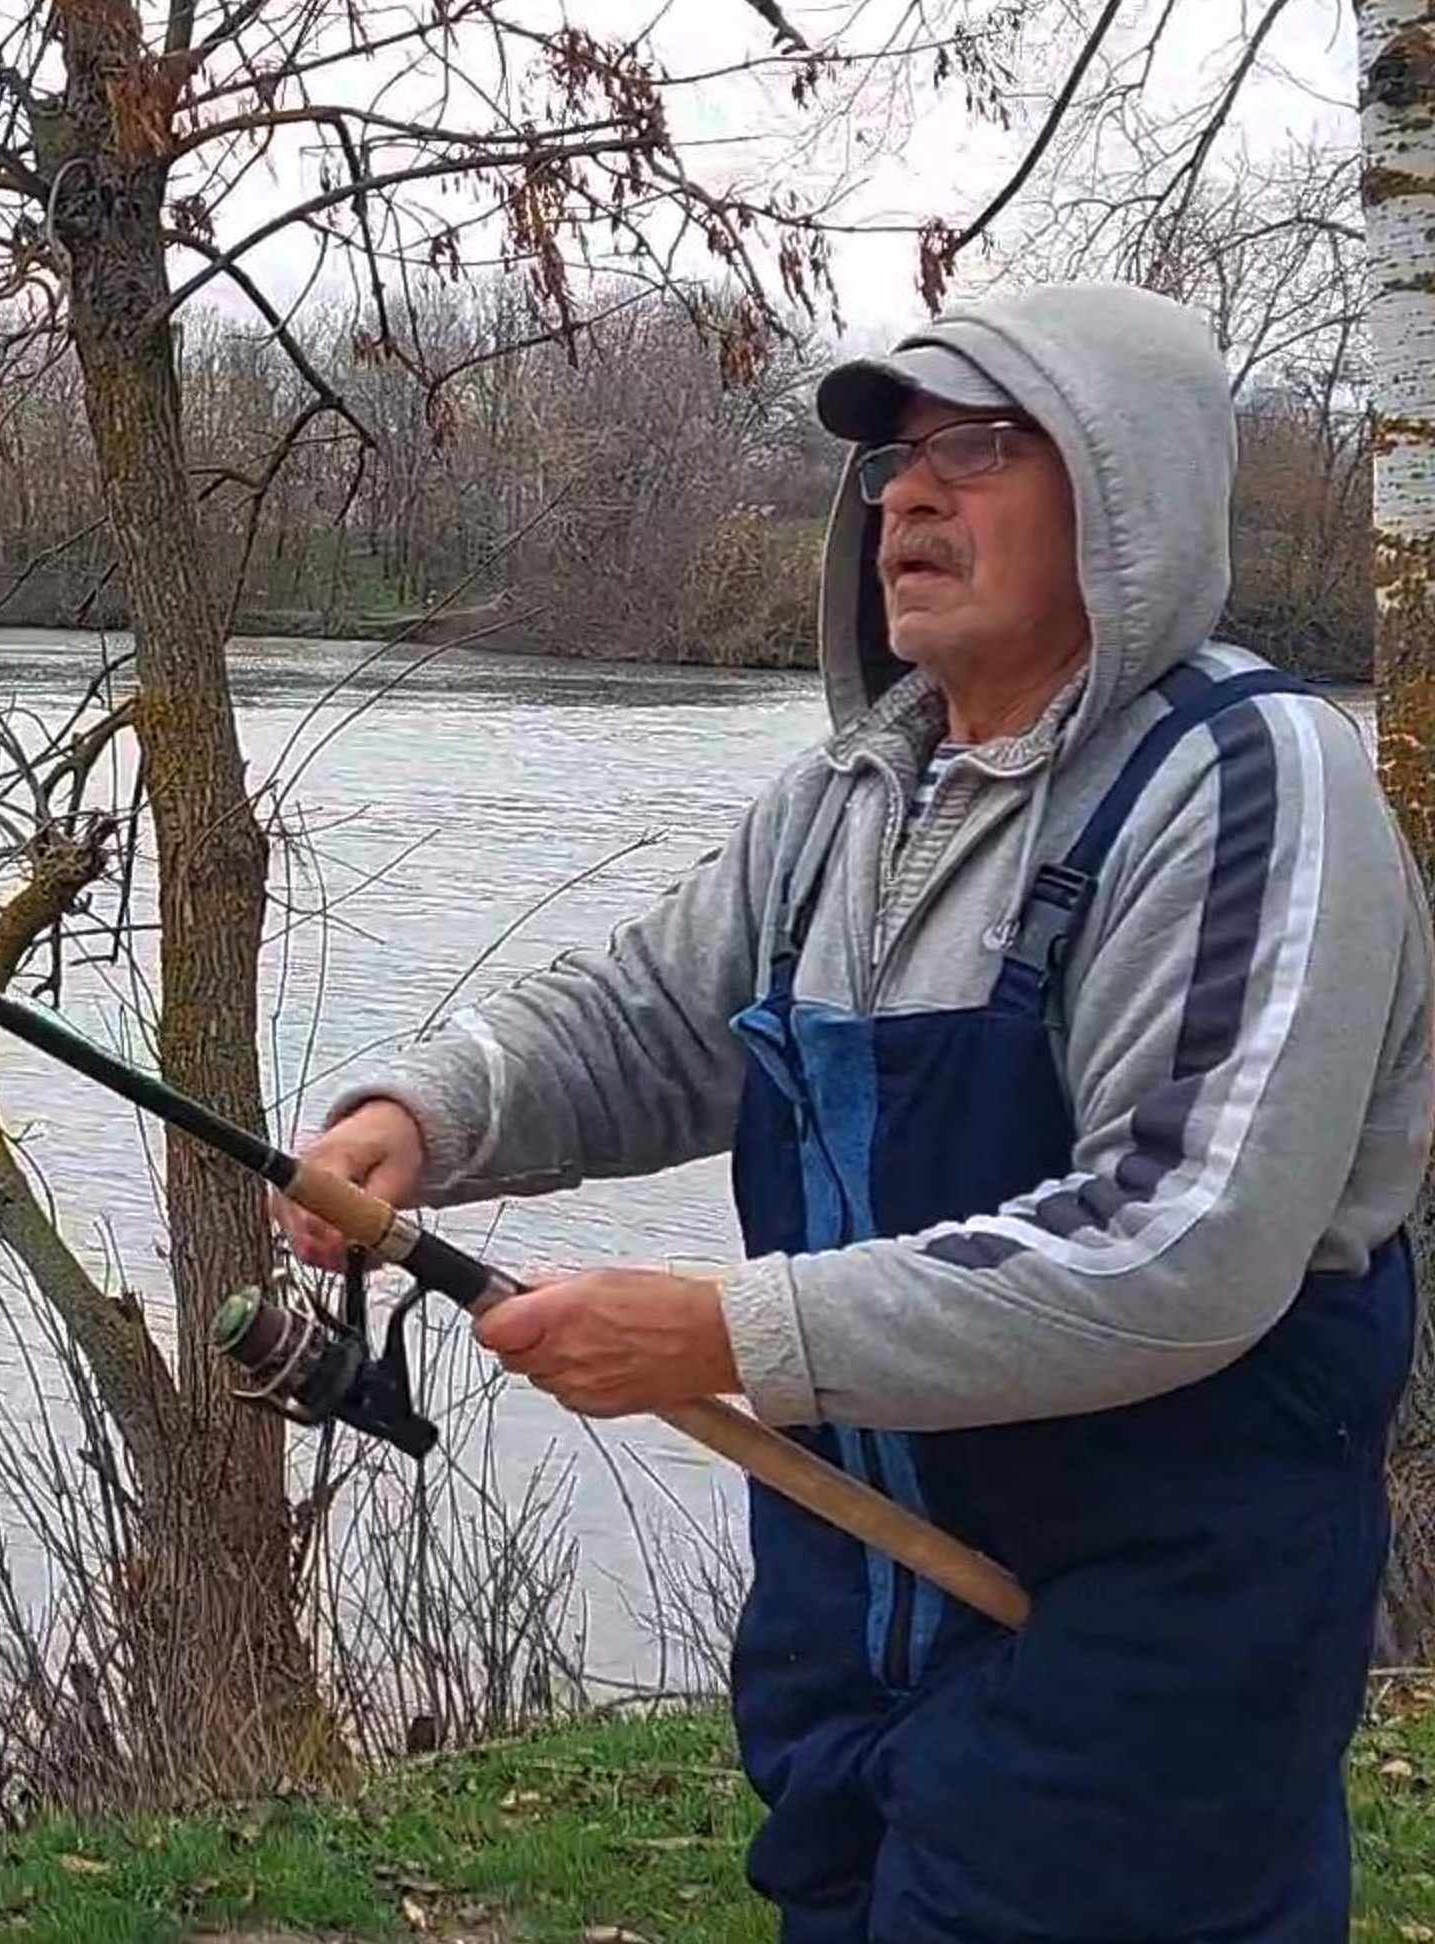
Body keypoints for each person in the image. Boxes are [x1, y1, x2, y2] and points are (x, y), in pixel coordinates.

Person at [273, 279, 1435, 1942]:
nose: (908, 497)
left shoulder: (1253, 783)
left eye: (978, 449)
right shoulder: (844, 802)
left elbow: (1180, 1244)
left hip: (1147, 1650)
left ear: (1130, 489)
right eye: (894, 462)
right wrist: (428, 1117)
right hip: (851, 1617)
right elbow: (648, 1022)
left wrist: (725, 1332)